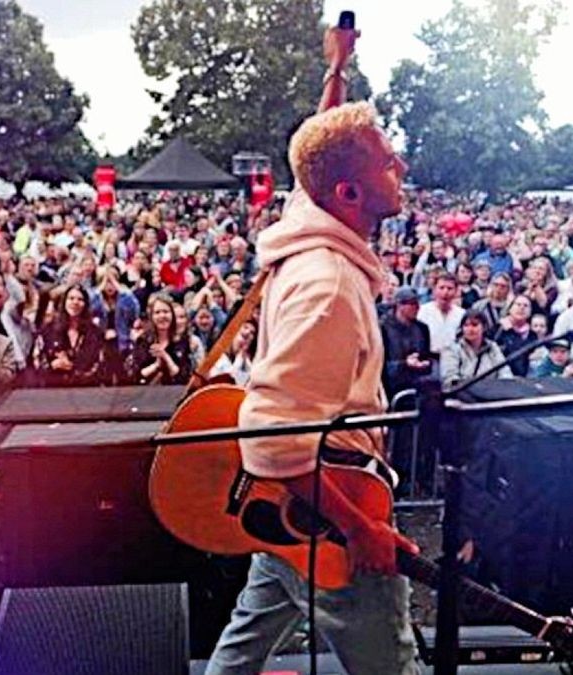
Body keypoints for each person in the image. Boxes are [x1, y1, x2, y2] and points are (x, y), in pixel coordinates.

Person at [206, 25, 420, 675]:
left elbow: (319, 156)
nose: (402, 167)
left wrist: (337, 72)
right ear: (349, 196)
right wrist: (362, 528)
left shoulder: (311, 216)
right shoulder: (326, 285)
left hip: (297, 513)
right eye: (388, 161)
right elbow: (272, 438)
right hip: (333, 511)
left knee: (238, 658)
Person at [35, 285, 104, 388]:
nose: (75, 302)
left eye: (80, 299)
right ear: (64, 302)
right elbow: (37, 360)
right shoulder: (48, 330)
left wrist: (74, 369)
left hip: (86, 391)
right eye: (71, 298)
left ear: (85, 304)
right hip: (54, 390)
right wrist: (52, 365)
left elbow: (100, 364)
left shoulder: (95, 332)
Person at [126, 294, 193, 386]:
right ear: (152, 317)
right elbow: (136, 375)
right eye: (157, 312)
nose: (162, 316)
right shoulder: (143, 340)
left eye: (166, 312)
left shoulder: (182, 341)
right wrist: (157, 365)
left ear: (172, 315)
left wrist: (165, 357)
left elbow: (183, 377)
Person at [442, 311, 513, 385]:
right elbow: (450, 379)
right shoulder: (452, 349)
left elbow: (504, 371)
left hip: (492, 392)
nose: (470, 329)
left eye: (474, 325)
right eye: (466, 325)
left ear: (484, 327)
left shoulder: (492, 347)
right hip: (462, 394)